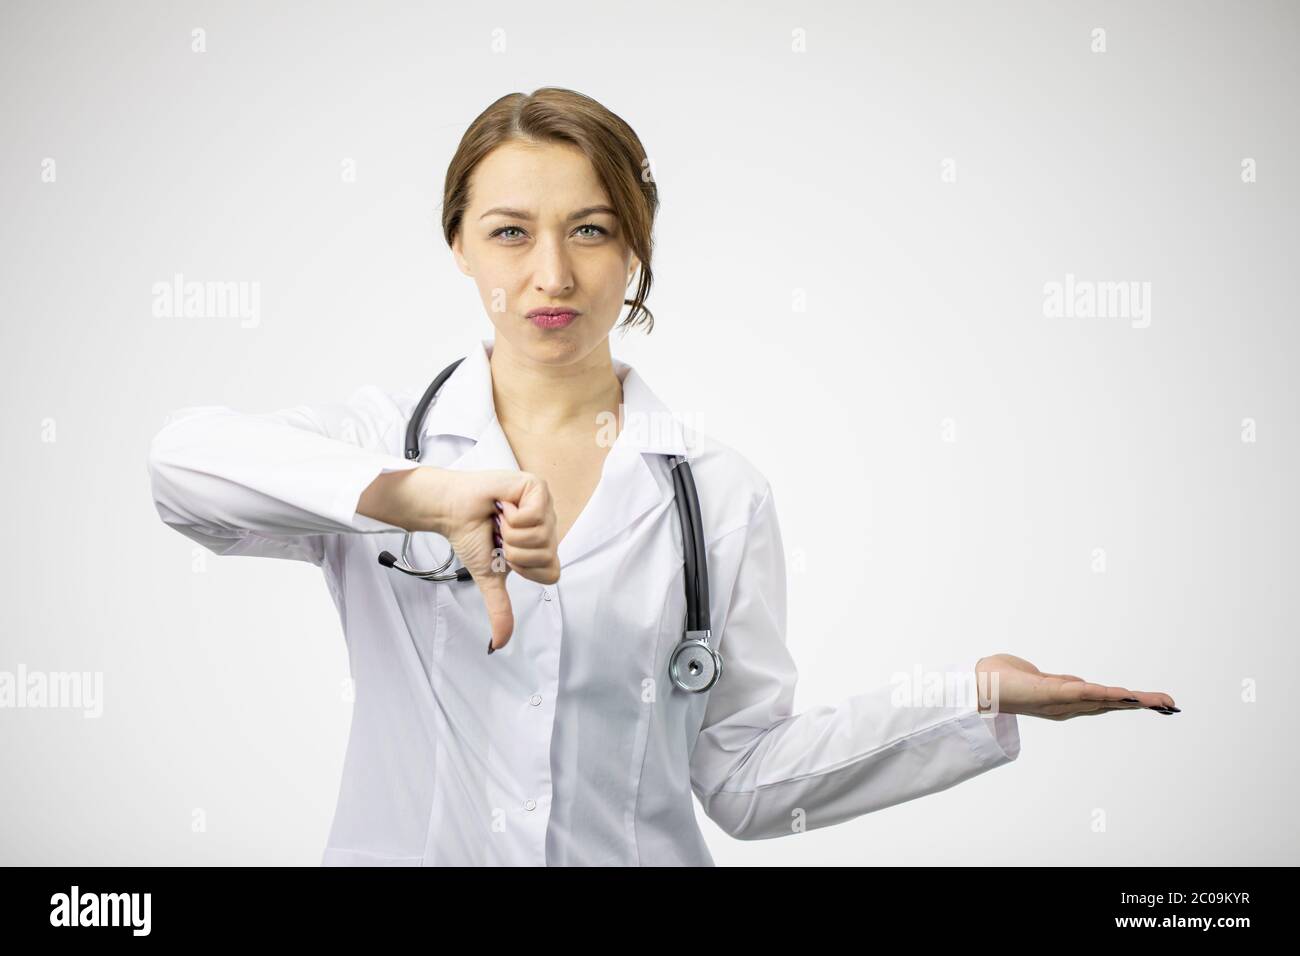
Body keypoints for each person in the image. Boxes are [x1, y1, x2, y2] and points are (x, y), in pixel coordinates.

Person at [146, 87, 1179, 866]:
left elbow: (744, 780)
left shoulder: (715, 495)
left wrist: (969, 695)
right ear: (457, 242)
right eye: (510, 230)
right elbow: (181, 463)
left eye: (590, 229)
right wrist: (415, 494)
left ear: (633, 247)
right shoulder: (376, 447)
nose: (550, 274)